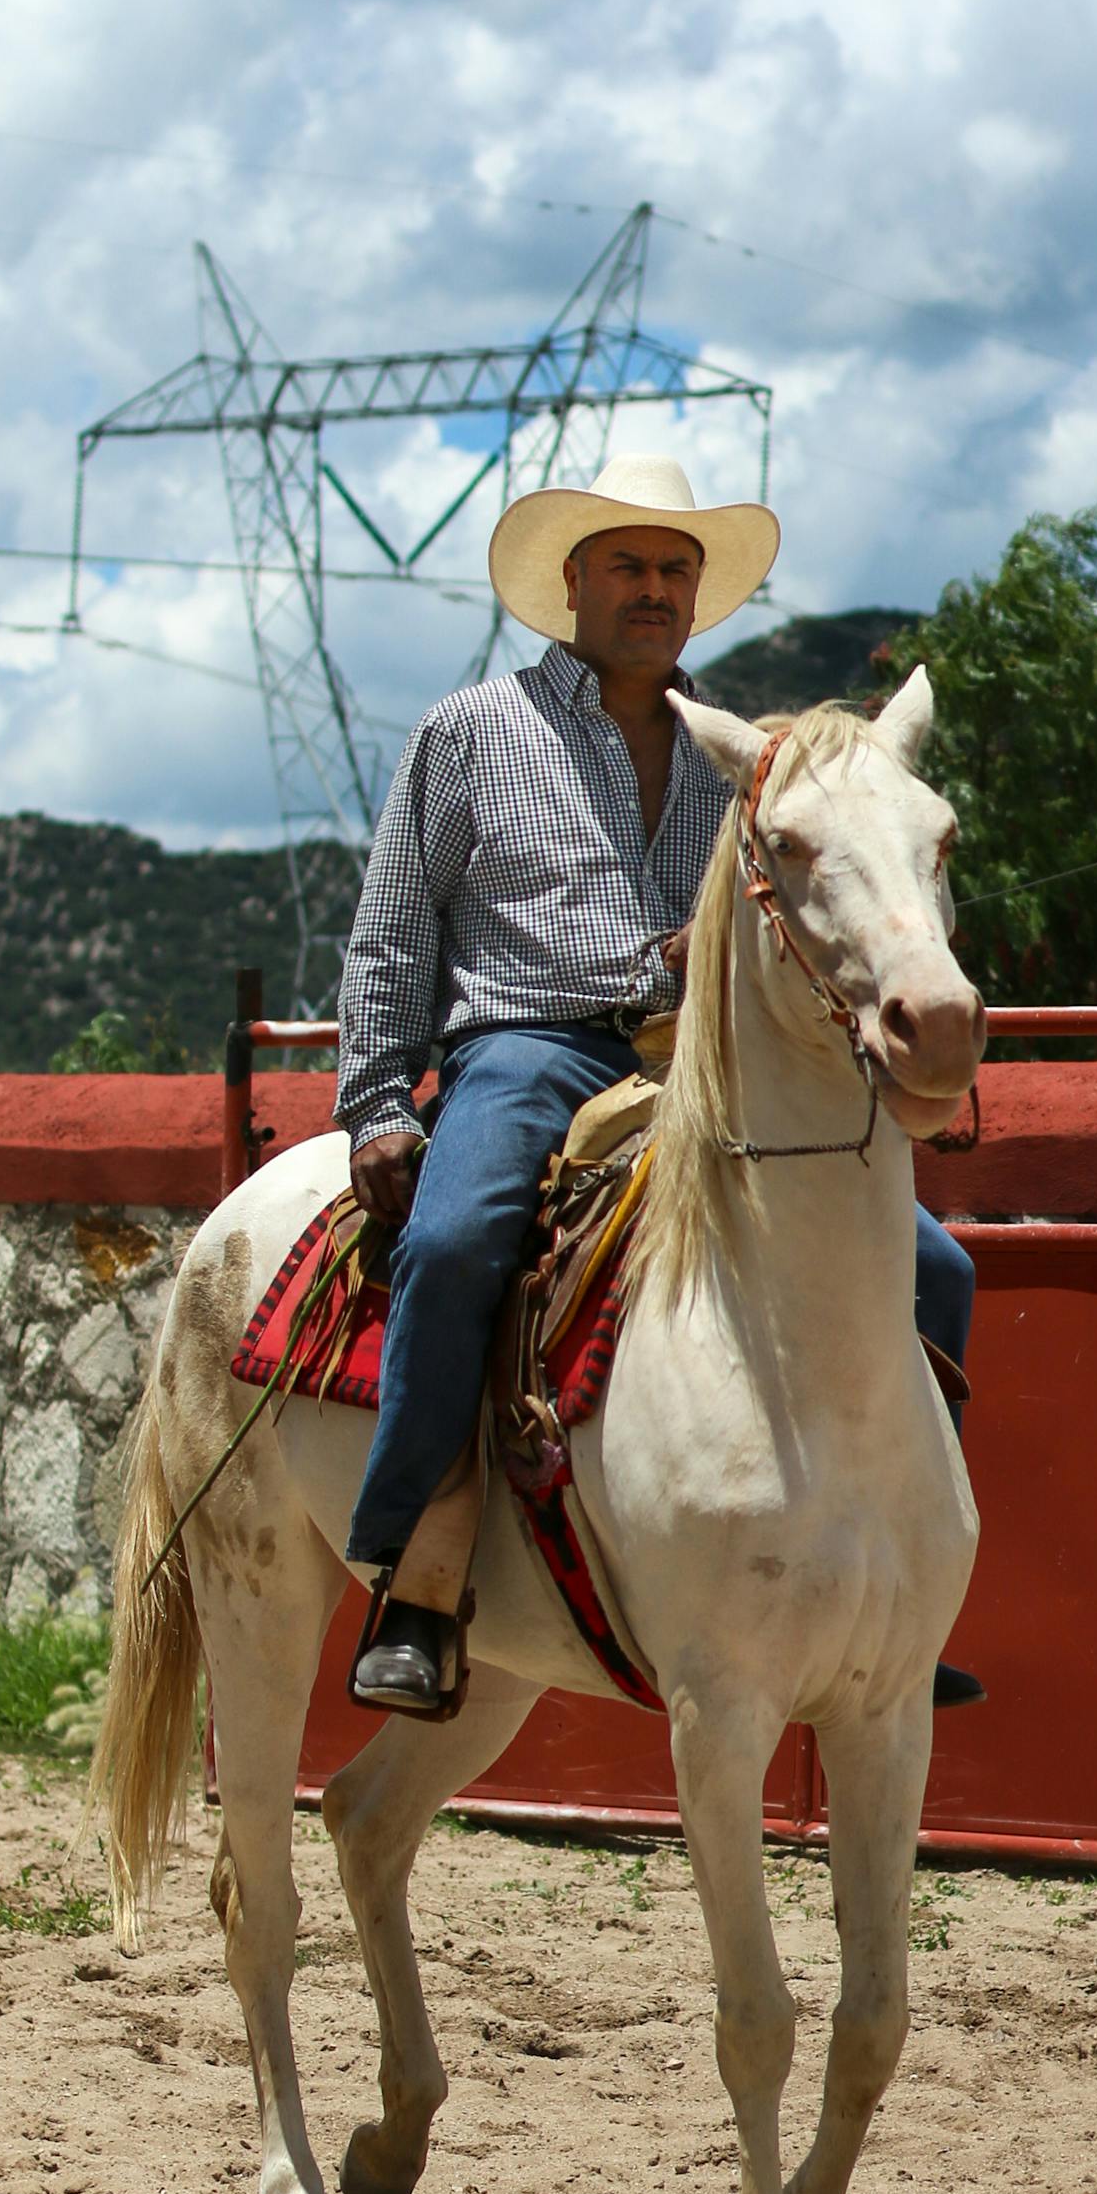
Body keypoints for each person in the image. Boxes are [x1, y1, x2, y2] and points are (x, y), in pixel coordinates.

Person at [335, 453, 980, 1715]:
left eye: (674, 569)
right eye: (625, 565)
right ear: (570, 584)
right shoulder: (468, 733)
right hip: (520, 1047)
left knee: (940, 1270)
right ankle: (416, 1580)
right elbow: (393, 929)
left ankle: (897, 1595)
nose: (652, 588)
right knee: (461, 1238)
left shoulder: (743, 760)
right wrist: (369, 1103)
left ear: (697, 596)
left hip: (691, 1063)